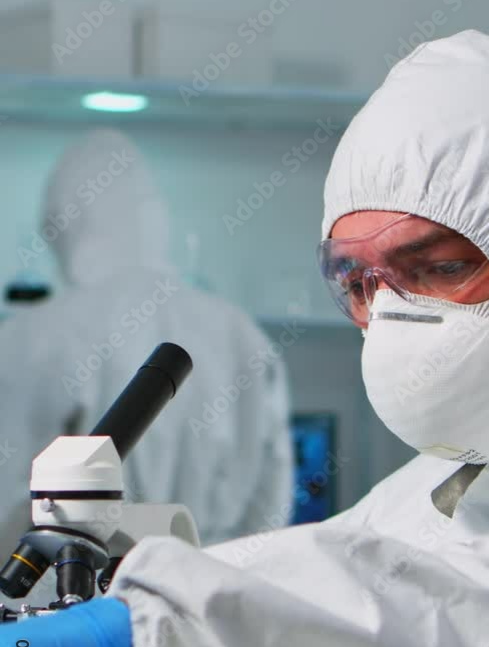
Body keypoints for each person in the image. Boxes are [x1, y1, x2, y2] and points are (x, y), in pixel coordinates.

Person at [3, 29, 489, 647]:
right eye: (357, 281)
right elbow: (325, 594)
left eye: (439, 266)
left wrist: (136, 644)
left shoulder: (37, 338)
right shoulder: (426, 497)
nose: (391, 319)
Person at [0, 130, 293, 569]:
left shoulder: (34, 335)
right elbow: (271, 508)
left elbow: (9, 504)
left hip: (69, 606)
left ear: (67, 224)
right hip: (208, 602)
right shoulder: (241, 333)